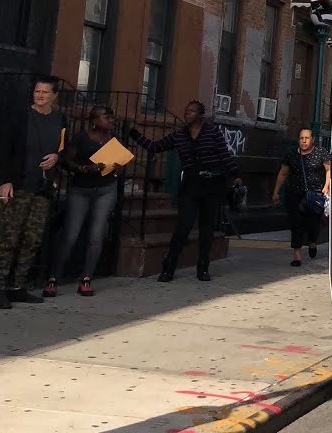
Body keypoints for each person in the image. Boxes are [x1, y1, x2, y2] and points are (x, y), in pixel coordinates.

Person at [128, 101, 241, 282]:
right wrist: (133, 134)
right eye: (186, 111)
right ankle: (169, 267)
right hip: (191, 185)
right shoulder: (179, 135)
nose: (187, 114)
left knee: (207, 228)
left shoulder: (212, 131)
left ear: (200, 114)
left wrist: (236, 175)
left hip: (213, 185)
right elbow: (155, 147)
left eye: (192, 111)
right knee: (183, 226)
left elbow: (224, 154)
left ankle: (203, 267)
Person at [0, 75, 68, 310]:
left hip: (42, 188)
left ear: (54, 95)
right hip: (19, 185)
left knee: (32, 239)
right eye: (37, 91)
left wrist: (57, 157)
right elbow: (4, 149)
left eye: (45, 92)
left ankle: (18, 287)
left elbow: (64, 149)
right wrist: (5, 181)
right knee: (9, 237)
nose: (40, 95)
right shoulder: (21, 116)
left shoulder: (59, 119)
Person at [44, 105, 121, 297]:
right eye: (106, 117)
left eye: (112, 118)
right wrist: (84, 169)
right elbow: (66, 162)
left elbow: (118, 165)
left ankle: (86, 278)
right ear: (94, 121)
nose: (110, 120)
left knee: (96, 235)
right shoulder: (81, 138)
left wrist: (117, 167)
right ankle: (53, 277)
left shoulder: (114, 140)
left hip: (106, 189)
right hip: (80, 189)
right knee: (71, 234)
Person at [271, 127, 331, 266]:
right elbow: (283, 173)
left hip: (315, 193)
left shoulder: (320, 153)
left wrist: (326, 187)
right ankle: (297, 255)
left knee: (313, 222)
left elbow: (329, 170)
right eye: (301, 138)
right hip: (295, 193)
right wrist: (276, 192)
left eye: (307, 138)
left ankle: (312, 241)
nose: (304, 141)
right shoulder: (292, 154)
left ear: (312, 140)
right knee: (295, 222)